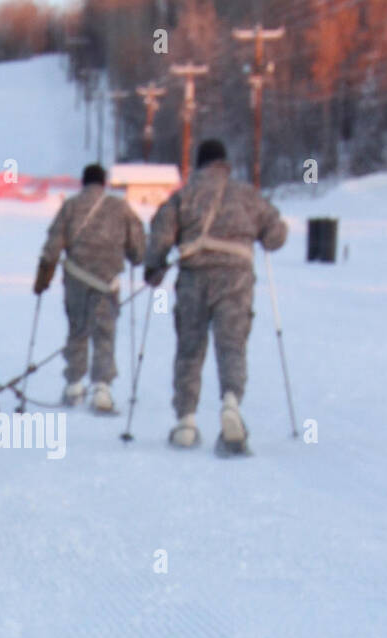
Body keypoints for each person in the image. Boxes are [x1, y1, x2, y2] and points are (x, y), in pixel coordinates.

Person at [144, 138, 287, 452]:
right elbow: (277, 236)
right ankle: (231, 404)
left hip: (194, 279)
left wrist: (154, 268)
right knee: (232, 345)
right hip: (236, 280)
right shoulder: (247, 195)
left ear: (198, 165)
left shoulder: (183, 197)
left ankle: (186, 422)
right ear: (224, 164)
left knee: (189, 350)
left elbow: (160, 235)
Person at [33, 163, 145, 413]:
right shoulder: (120, 207)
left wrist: (44, 276)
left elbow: (53, 243)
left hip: (76, 278)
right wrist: (138, 258)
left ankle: (74, 384)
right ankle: (102, 387)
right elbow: (137, 248)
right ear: (104, 183)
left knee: (78, 329)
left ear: (83, 182)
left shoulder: (70, 206)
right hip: (108, 281)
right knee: (105, 331)